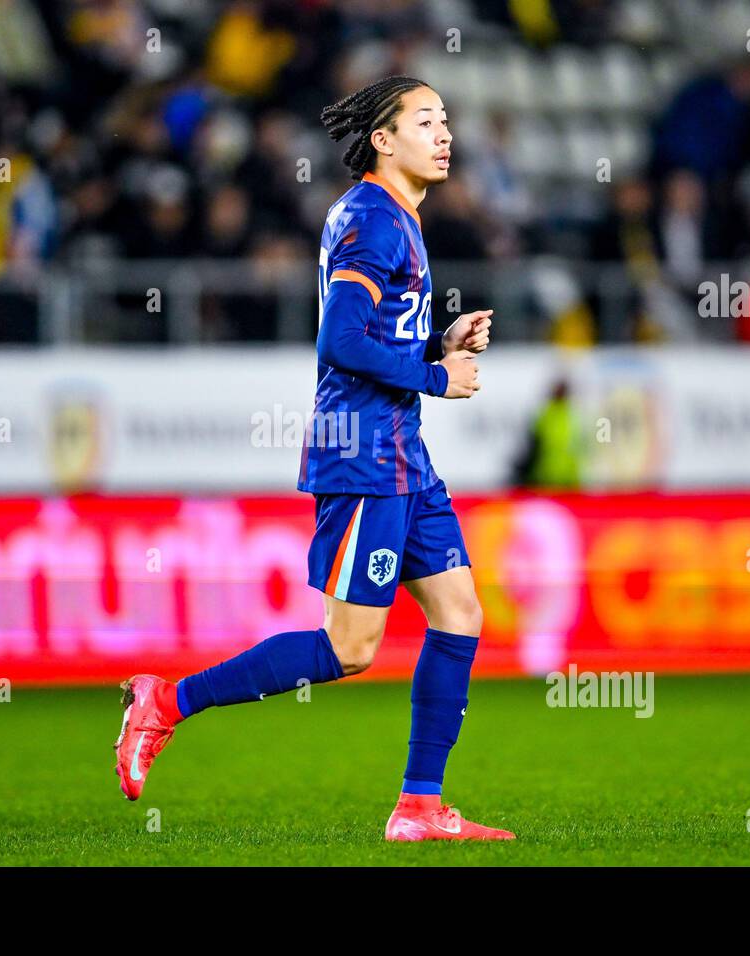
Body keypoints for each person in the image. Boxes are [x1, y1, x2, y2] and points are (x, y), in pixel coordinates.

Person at [112, 76, 513, 841]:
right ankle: (166, 702)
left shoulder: (391, 216)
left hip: (401, 452)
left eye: (447, 119)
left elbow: (373, 332)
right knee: (350, 646)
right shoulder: (372, 219)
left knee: (459, 613)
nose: (445, 132)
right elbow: (342, 341)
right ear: (383, 140)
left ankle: (419, 807)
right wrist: (437, 375)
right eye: (426, 120)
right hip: (365, 454)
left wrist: (438, 341)